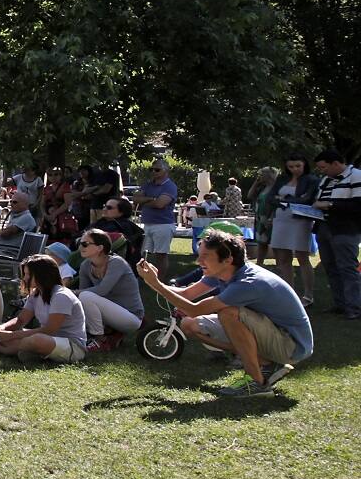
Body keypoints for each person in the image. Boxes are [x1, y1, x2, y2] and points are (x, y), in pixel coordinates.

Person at [137, 229, 314, 395]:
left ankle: (257, 382)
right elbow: (187, 294)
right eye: (200, 256)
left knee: (228, 313)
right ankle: (264, 362)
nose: (199, 262)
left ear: (228, 259)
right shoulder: (221, 273)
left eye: (206, 256)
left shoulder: (248, 283)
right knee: (189, 325)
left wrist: (156, 284)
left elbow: (193, 308)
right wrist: (152, 281)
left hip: (291, 346)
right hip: (272, 333)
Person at [0, 255, 91, 365]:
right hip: (49, 338)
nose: (25, 278)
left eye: (28, 274)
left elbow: (49, 330)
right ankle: (27, 352)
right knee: (19, 335)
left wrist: (11, 335)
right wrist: (2, 328)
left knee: (36, 340)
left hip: (72, 346)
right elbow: (21, 320)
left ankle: (4, 349)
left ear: (42, 275)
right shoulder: (36, 294)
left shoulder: (61, 296)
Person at [74, 228, 144, 352]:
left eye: (85, 243)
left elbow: (102, 290)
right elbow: (83, 294)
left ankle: (100, 340)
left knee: (85, 296)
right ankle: (108, 334)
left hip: (131, 317)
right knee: (83, 297)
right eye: (79, 242)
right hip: (111, 314)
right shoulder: (85, 265)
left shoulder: (116, 263)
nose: (80, 247)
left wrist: (74, 292)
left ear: (100, 248)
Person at [311, 148, 361, 320]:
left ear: (336, 164)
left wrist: (329, 205)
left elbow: (358, 206)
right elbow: (318, 202)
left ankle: (355, 307)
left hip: (346, 229)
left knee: (347, 267)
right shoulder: (325, 180)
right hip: (324, 228)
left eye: (324, 167)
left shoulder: (356, 176)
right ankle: (340, 304)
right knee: (331, 267)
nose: (321, 171)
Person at [267, 154, 319, 304]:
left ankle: (308, 295)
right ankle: (289, 292)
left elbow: (306, 199)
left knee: (302, 257)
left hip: (300, 220)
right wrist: (286, 200)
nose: (294, 169)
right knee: (283, 258)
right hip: (281, 219)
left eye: (298, 166)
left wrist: (283, 199)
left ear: (304, 165)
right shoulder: (282, 179)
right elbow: (270, 197)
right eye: (291, 166)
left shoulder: (312, 180)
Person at [133, 159, 179, 277]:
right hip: (147, 224)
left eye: (157, 169)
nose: (153, 172)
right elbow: (136, 199)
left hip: (163, 225)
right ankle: (144, 277)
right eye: (151, 169)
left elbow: (160, 204)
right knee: (144, 254)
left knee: (161, 255)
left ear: (166, 171)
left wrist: (145, 200)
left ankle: (160, 282)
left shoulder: (170, 186)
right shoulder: (148, 184)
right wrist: (152, 199)